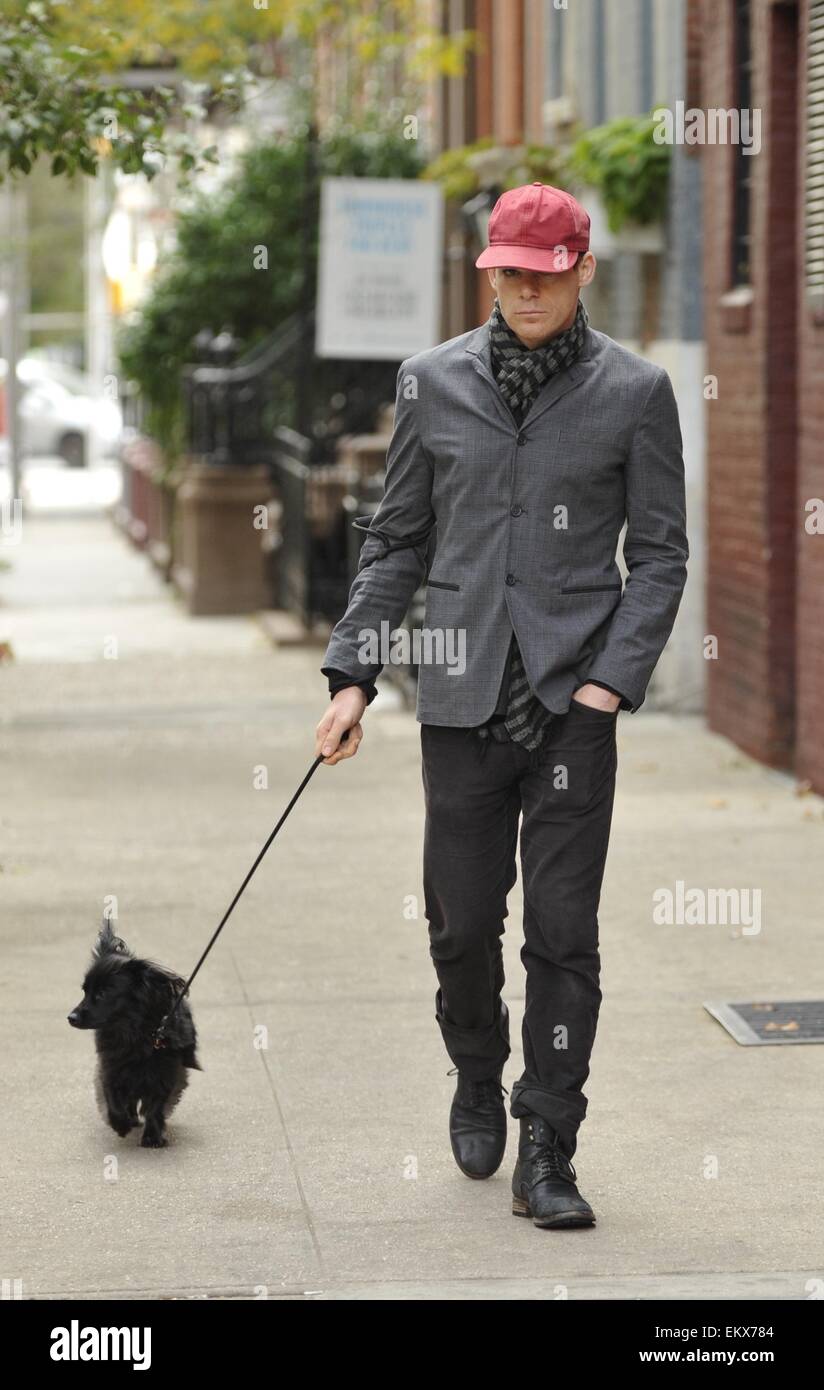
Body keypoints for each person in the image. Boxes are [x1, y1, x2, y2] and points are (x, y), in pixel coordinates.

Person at [315, 182, 688, 1230]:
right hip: (459, 698)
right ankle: (476, 1070)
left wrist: (611, 679)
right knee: (460, 924)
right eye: (506, 272)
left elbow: (658, 555)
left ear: (579, 271)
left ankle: (548, 1143)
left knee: (563, 935)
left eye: (541, 271)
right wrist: (353, 674)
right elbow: (396, 539)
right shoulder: (430, 383)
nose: (522, 289)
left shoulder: (635, 392)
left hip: (573, 703)